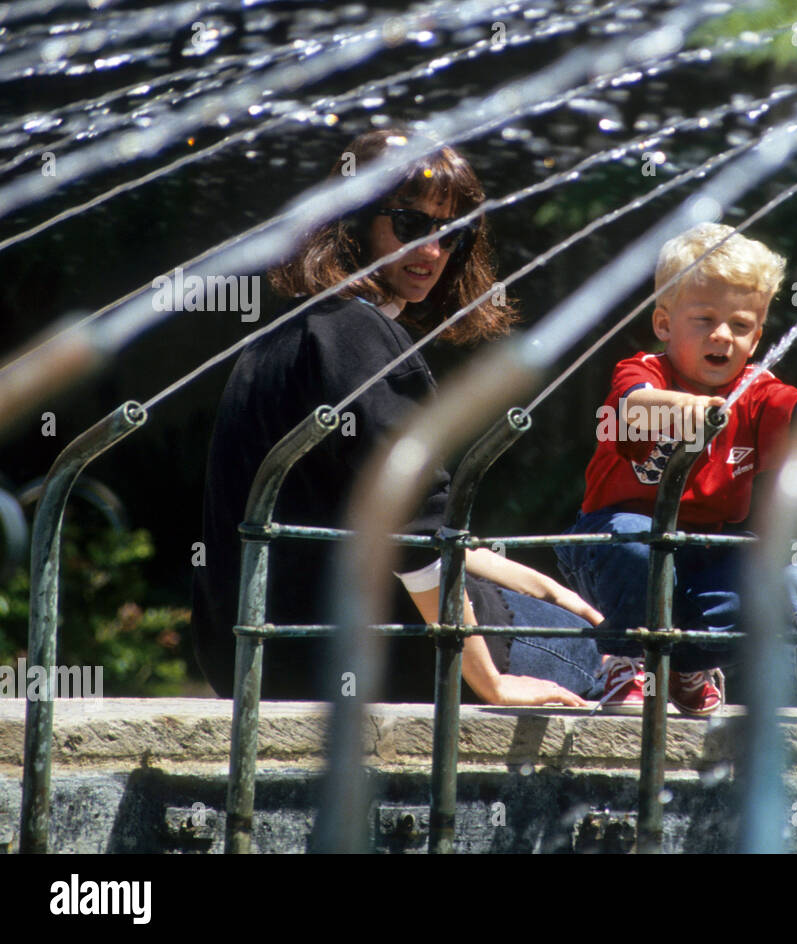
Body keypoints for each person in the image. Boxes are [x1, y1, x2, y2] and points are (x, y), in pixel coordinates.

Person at [192, 129, 603, 706]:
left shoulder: (293, 331)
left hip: (256, 654)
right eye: (411, 225)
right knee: (594, 649)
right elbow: (413, 532)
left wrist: (511, 571)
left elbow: (390, 519)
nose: (432, 251)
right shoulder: (357, 333)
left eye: (453, 233)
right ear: (354, 221)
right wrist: (491, 682)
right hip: (343, 656)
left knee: (559, 607)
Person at [556, 223, 797, 716]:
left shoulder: (755, 391)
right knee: (637, 545)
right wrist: (686, 407)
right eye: (704, 319)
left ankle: (688, 664)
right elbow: (635, 405)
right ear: (665, 324)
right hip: (610, 543)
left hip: (703, 549)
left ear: (757, 338)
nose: (721, 335)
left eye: (739, 324)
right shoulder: (644, 370)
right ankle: (626, 662)